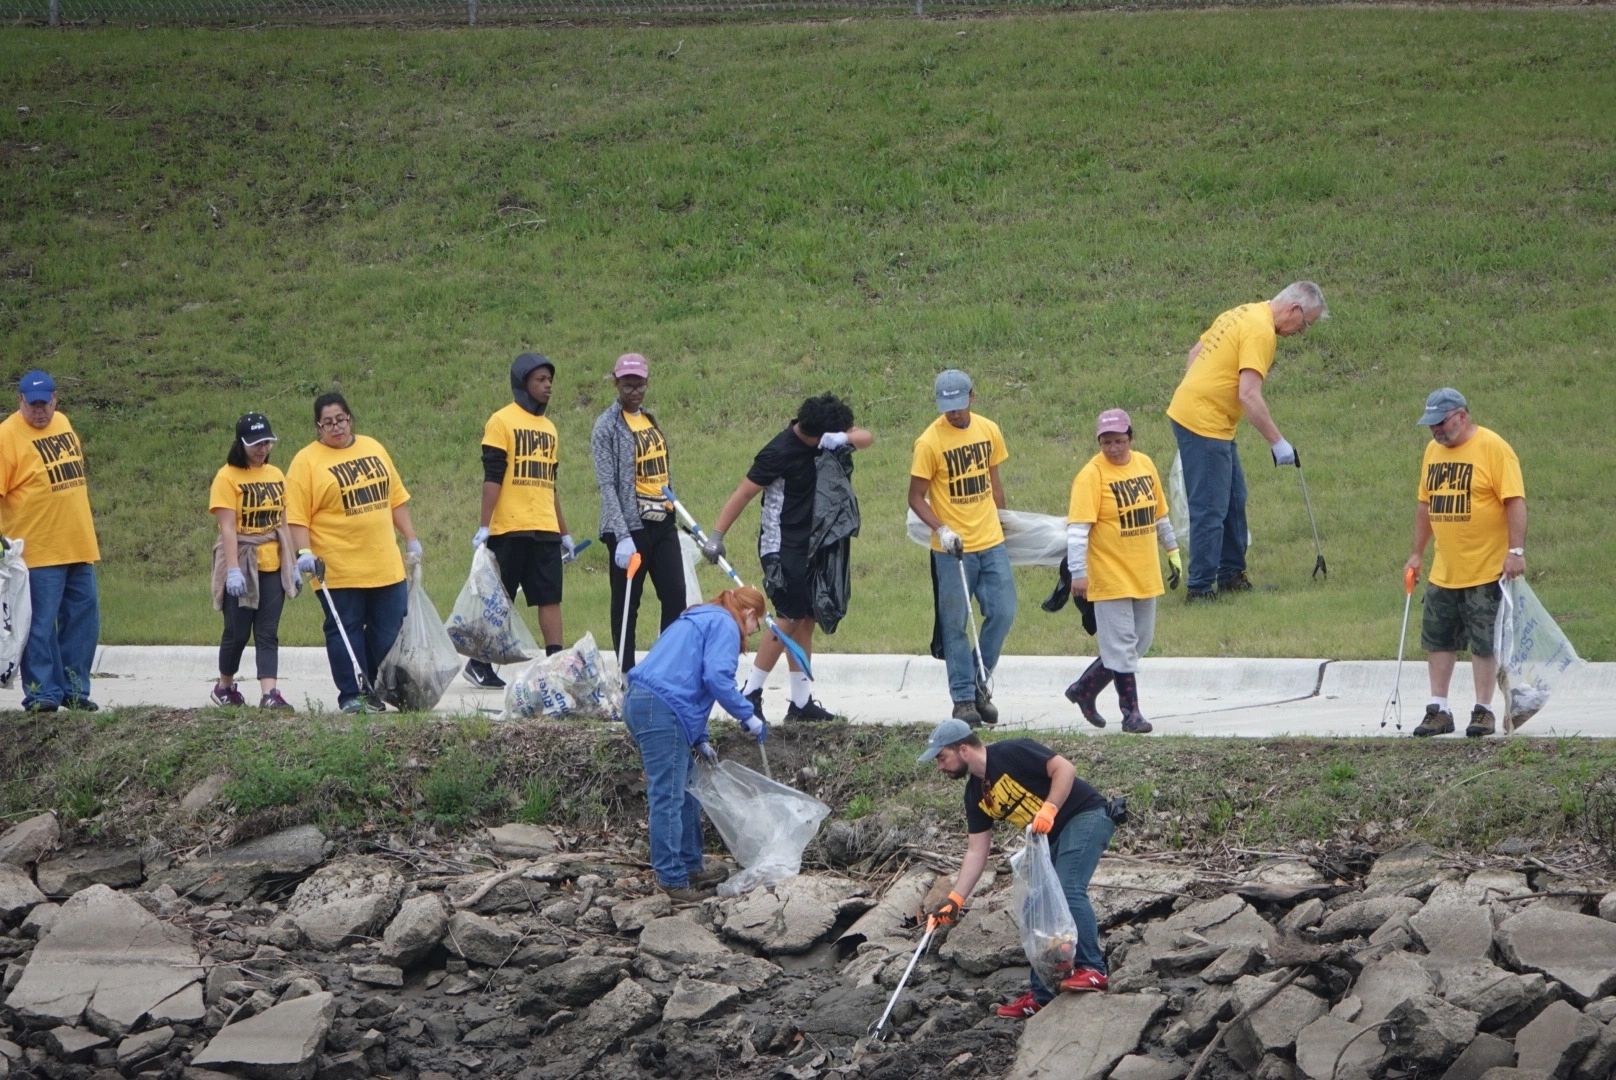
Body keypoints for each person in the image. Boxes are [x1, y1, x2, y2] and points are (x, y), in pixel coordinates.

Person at [920, 718, 1114, 1018]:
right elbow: (976, 850)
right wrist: (956, 899)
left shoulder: (1011, 752)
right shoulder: (975, 793)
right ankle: (1043, 994)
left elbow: (1064, 769)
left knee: (1066, 888)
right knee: (1034, 907)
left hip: (1086, 816)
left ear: (963, 749)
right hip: (1050, 839)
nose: (940, 767)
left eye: (942, 758)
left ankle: (1093, 970)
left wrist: (1049, 807)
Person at [701, 393, 873, 723]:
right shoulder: (778, 452)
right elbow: (745, 492)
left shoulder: (827, 440)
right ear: (816, 432)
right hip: (781, 547)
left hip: (812, 544)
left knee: (806, 618)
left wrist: (843, 437)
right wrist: (716, 537)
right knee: (790, 615)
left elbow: (867, 438)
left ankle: (801, 702)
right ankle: (750, 692)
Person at [1166, 281, 1327, 601]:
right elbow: (1249, 395)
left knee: (1233, 498)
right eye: (1305, 323)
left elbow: (1195, 352)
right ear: (1294, 310)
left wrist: (1194, 391)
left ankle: (1230, 574)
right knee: (1210, 508)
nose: (1301, 332)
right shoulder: (1261, 331)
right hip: (1203, 424)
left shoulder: (1244, 311)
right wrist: (1277, 442)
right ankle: (1199, 589)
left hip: (1209, 419)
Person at [624, 585, 768, 901]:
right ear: (749, 613)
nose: (753, 633)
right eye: (757, 625)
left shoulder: (699, 617)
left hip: (646, 703)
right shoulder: (727, 625)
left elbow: (686, 677)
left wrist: (699, 737)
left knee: (688, 790)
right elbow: (716, 678)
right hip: (661, 710)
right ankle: (672, 880)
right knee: (669, 796)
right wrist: (749, 715)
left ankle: (690, 865)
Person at [285, 392, 421, 714]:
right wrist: (304, 552)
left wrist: (411, 538)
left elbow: (395, 499)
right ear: (318, 427)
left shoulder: (373, 448)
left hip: (384, 564)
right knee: (344, 630)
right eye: (327, 423)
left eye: (340, 420)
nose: (335, 428)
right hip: (338, 568)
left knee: (390, 628)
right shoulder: (306, 461)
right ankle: (353, 694)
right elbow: (296, 516)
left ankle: (373, 685)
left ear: (350, 418)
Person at [1405, 388, 1526, 738]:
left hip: (1487, 567)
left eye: (1441, 423)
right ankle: (1438, 709)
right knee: (1437, 639)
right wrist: (1417, 553)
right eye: (1431, 426)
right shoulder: (1432, 452)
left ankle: (1483, 710)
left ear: (1461, 415)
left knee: (1483, 642)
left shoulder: (1493, 447)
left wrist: (1515, 552)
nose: (1436, 432)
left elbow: (1514, 501)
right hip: (1445, 569)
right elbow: (1425, 505)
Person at [1063, 409, 1182, 734]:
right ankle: (1131, 714)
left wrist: (1172, 551)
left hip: (1144, 571)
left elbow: (1159, 515)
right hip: (1108, 574)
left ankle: (1084, 689)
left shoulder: (1144, 464)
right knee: (1121, 645)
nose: (1113, 448)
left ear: (1131, 438)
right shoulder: (1091, 476)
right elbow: (1077, 530)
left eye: (1119, 441)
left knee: (1138, 643)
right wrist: (1079, 572)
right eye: (1106, 442)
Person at [907, 369, 1015, 727]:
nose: (953, 413)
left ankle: (979, 683)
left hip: (991, 541)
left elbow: (993, 481)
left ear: (972, 396)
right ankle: (964, 700)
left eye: (958, 404)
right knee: (955, 624)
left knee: (1003, 612)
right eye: (946, 406)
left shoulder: (989, 429)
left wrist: (1003, 519)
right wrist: (943, 529)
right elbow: (915, 497)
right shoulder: (929, 443)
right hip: (952, 548)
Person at [465, 353, 576, 689]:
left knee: (549, 596)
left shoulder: (550, 428)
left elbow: (550, 484)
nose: (547, 387)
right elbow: (492, 477)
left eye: (550, 381)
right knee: (501, 599)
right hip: (509, 526)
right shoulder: (501, 422)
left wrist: (565, 532)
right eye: (540, 380)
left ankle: (555, 661)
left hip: (544, 527)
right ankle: (479, 663)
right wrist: (486, 525)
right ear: (523, 382)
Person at [0, 370, 102, 712]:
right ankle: (42, 693)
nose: (40, 411)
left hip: (78, 543)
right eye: (33, 405)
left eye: (46, 404)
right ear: (21, 401)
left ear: (56, 400)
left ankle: (75, 691)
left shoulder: (63, 422)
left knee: (83, 622)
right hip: (37, 551)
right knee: (39, 626)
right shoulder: (7, 436)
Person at [591, 352, 686, 672]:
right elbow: (607, 485)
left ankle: (665, 668)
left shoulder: (649, 418)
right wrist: (622, 535)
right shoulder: (606, 426)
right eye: (627, 386)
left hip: (663, 521)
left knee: (675, 597)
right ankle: (625, 673)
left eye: (640, 385)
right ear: (616, 383)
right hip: (630, 527)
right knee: (627, 604)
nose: (634, 392)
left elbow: (660, 471)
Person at [208, 412, 298, 711]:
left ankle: (269, 693)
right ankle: (224, 686)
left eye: (267, 443)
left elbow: (283, 524)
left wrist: (292, 563)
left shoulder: (276, 475)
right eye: (256, 444)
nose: (262, 449)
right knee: (237, 631)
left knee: (268, 631)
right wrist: (232, 570)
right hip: (243, 561)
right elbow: (228, 528)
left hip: (272, 563)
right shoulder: (227, 477)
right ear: (242, 444)